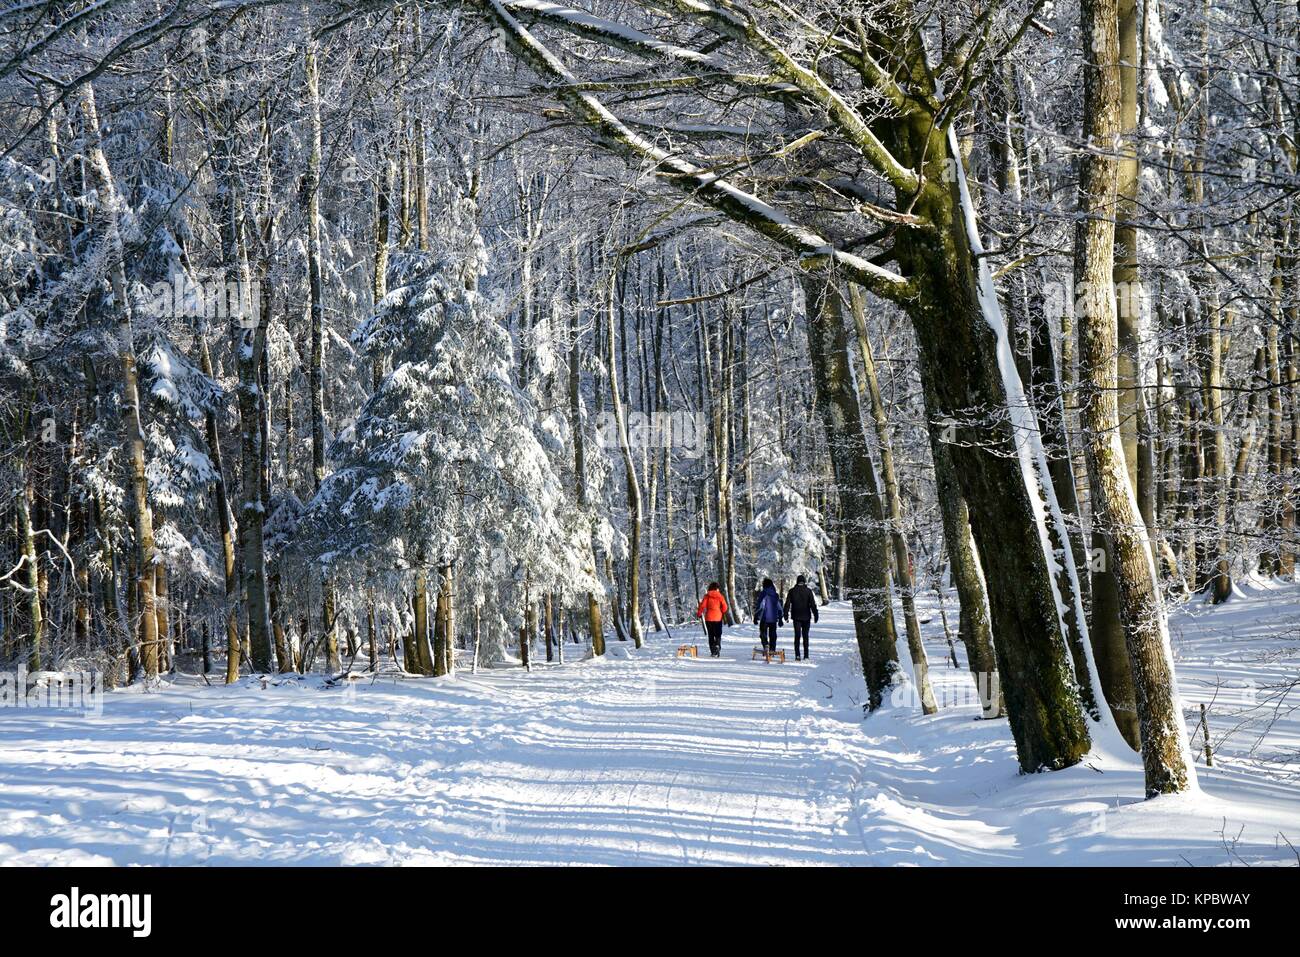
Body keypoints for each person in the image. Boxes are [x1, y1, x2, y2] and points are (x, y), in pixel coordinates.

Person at [783, 574, 819, 661]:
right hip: (806, 617)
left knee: (797, 636)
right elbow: (812, 604)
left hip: (796, 617)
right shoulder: (808, 591)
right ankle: (806, 655)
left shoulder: (792, 591)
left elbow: (787, 604)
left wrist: (785, 615)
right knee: (805, 636)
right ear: (804, 581)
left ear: (797, 581)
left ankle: (797, 655)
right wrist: (816, 614)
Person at [695, 582, 728, 657]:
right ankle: (717, 645)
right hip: (718, 618)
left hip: (709, 618)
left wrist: (699, 614)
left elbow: (702, 606)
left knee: (711, 635)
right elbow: (725, 607)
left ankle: (713, 651)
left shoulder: (707, 596)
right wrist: (721, 611)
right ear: (717, 588)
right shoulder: (720, 596)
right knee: (718, 634)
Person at [753, 578, 783, 655]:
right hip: (773, 619)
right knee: (773, 635)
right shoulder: (775, 595)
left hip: (764, 618)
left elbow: (761, 606)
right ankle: (772, 649)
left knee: (763, 633)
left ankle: (766, 645)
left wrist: (756, 616)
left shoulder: (763, 593)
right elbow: (779, 607)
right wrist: (780, 618)